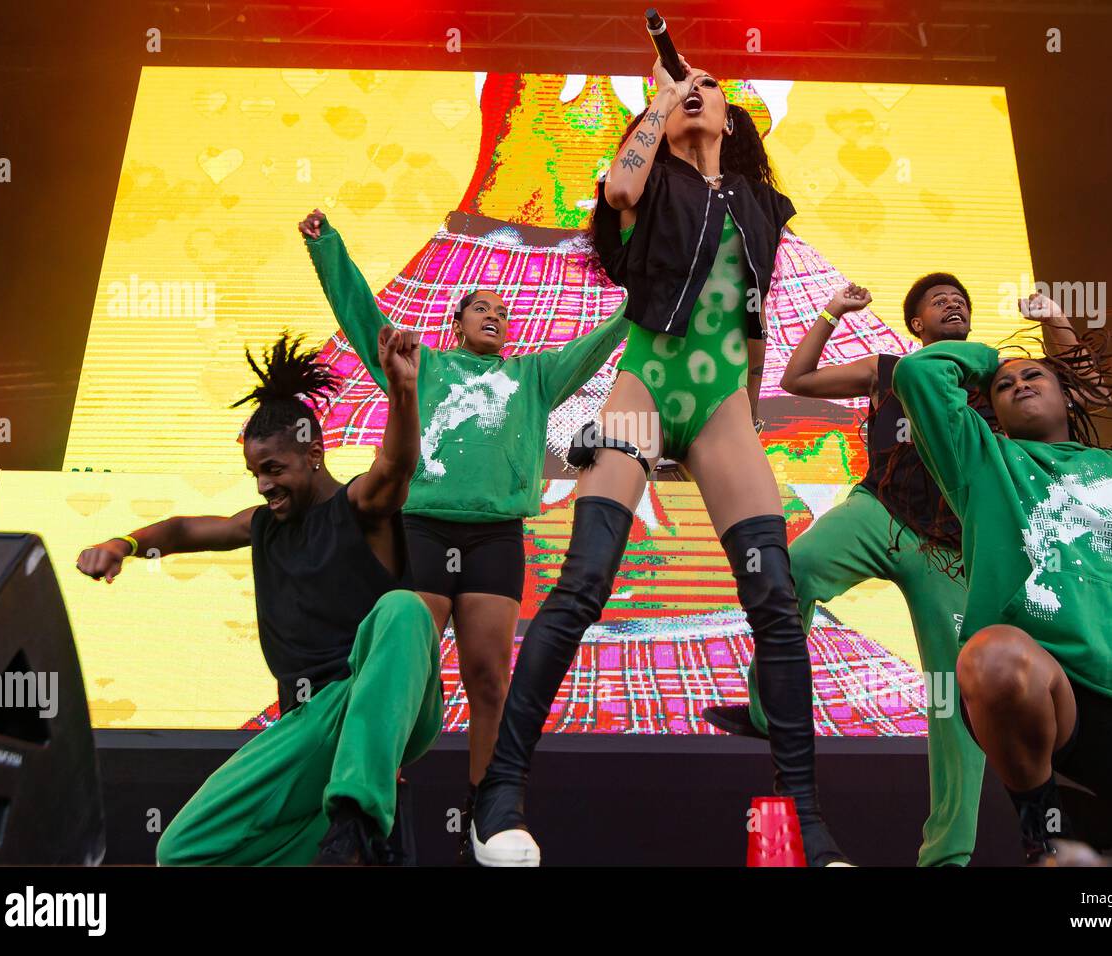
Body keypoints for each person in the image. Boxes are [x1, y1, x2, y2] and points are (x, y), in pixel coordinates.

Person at [469, 53, 847, 867]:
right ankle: (499, 793)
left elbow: (754, 309)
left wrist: (746, 402)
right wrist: (658, 105)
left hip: (719, 407)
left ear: (731, 115)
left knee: (775, 603)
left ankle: (810, 822)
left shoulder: (756, 202)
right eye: (683, 90)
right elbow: (619, 192)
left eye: (708, 87)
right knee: (583, 584)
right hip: (647, 390)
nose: (696, 93)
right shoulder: (650, 182)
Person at [704, 280, 1096, 866]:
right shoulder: (888, 369)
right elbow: (796, 381)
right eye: (937, 300)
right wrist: (831, 312)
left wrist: (1055, 319)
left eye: (959, 298)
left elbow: (1079, 385)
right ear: (915, 323)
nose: (952, 304)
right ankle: (769, 710)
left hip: (949, 547)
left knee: (954, 701)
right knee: (792, 572)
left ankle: (947, 858)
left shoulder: (994, 377)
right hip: (878, 512)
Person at [300, 208, 630, 861]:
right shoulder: (423, 366)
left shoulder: (534, 378)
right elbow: (364, 319)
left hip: (496, 538)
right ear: (456, 321)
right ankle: (372, 808)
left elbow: (598, 343)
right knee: (403, 665)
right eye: (482, 307)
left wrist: (639, 304)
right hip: (422, 528)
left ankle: (489, 814)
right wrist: (327, 246)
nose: (495, 316)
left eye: (504, 312)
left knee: (489, 677)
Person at [890, 305, 1112, 862]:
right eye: (1005, 386)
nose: (1018, 383)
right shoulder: (983, 461)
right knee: (993, 657)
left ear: (1071, 397)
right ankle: (1042, 834)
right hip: (1031, 691)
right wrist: (992, 363)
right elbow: (918, 375)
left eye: (1035, 375)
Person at [75, 328, 441, 865]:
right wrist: (122, 544)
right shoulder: (262, 526)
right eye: (255, 474)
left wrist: (403, 392)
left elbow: (396, 465)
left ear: (314, 454)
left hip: (375, 698)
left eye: (274, 469)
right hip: (306, 724)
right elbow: (182, 531)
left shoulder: (359, 508)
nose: (264, 486)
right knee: (181, 851)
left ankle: (358, 821)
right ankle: (334, 844)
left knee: (406, 609)